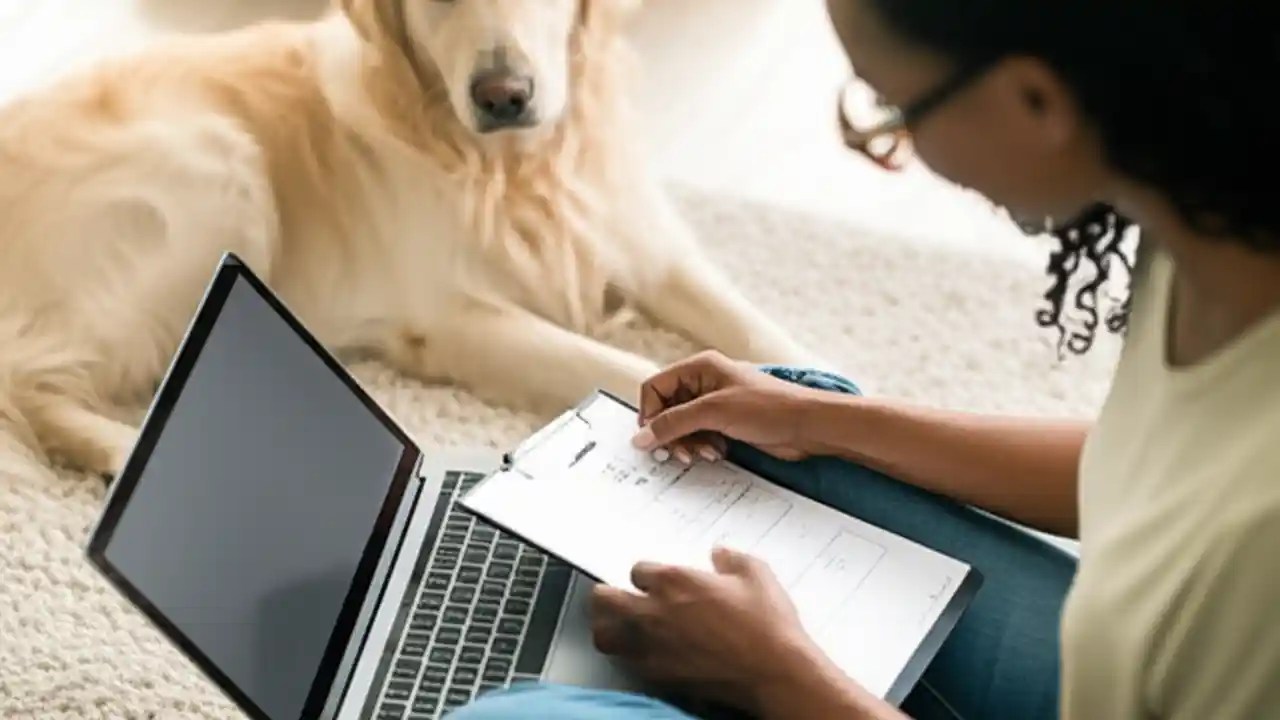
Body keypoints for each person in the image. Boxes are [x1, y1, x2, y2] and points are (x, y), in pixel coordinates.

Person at [451, 0, 1280, 718]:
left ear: (1038, 97)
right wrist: (818, 422)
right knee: (759, 421)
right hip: (1127, 656)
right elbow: (1149, 468)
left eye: (893, 106)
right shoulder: (1206, 223)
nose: (891, 146)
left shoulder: (1257, 536)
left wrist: (785, 681)